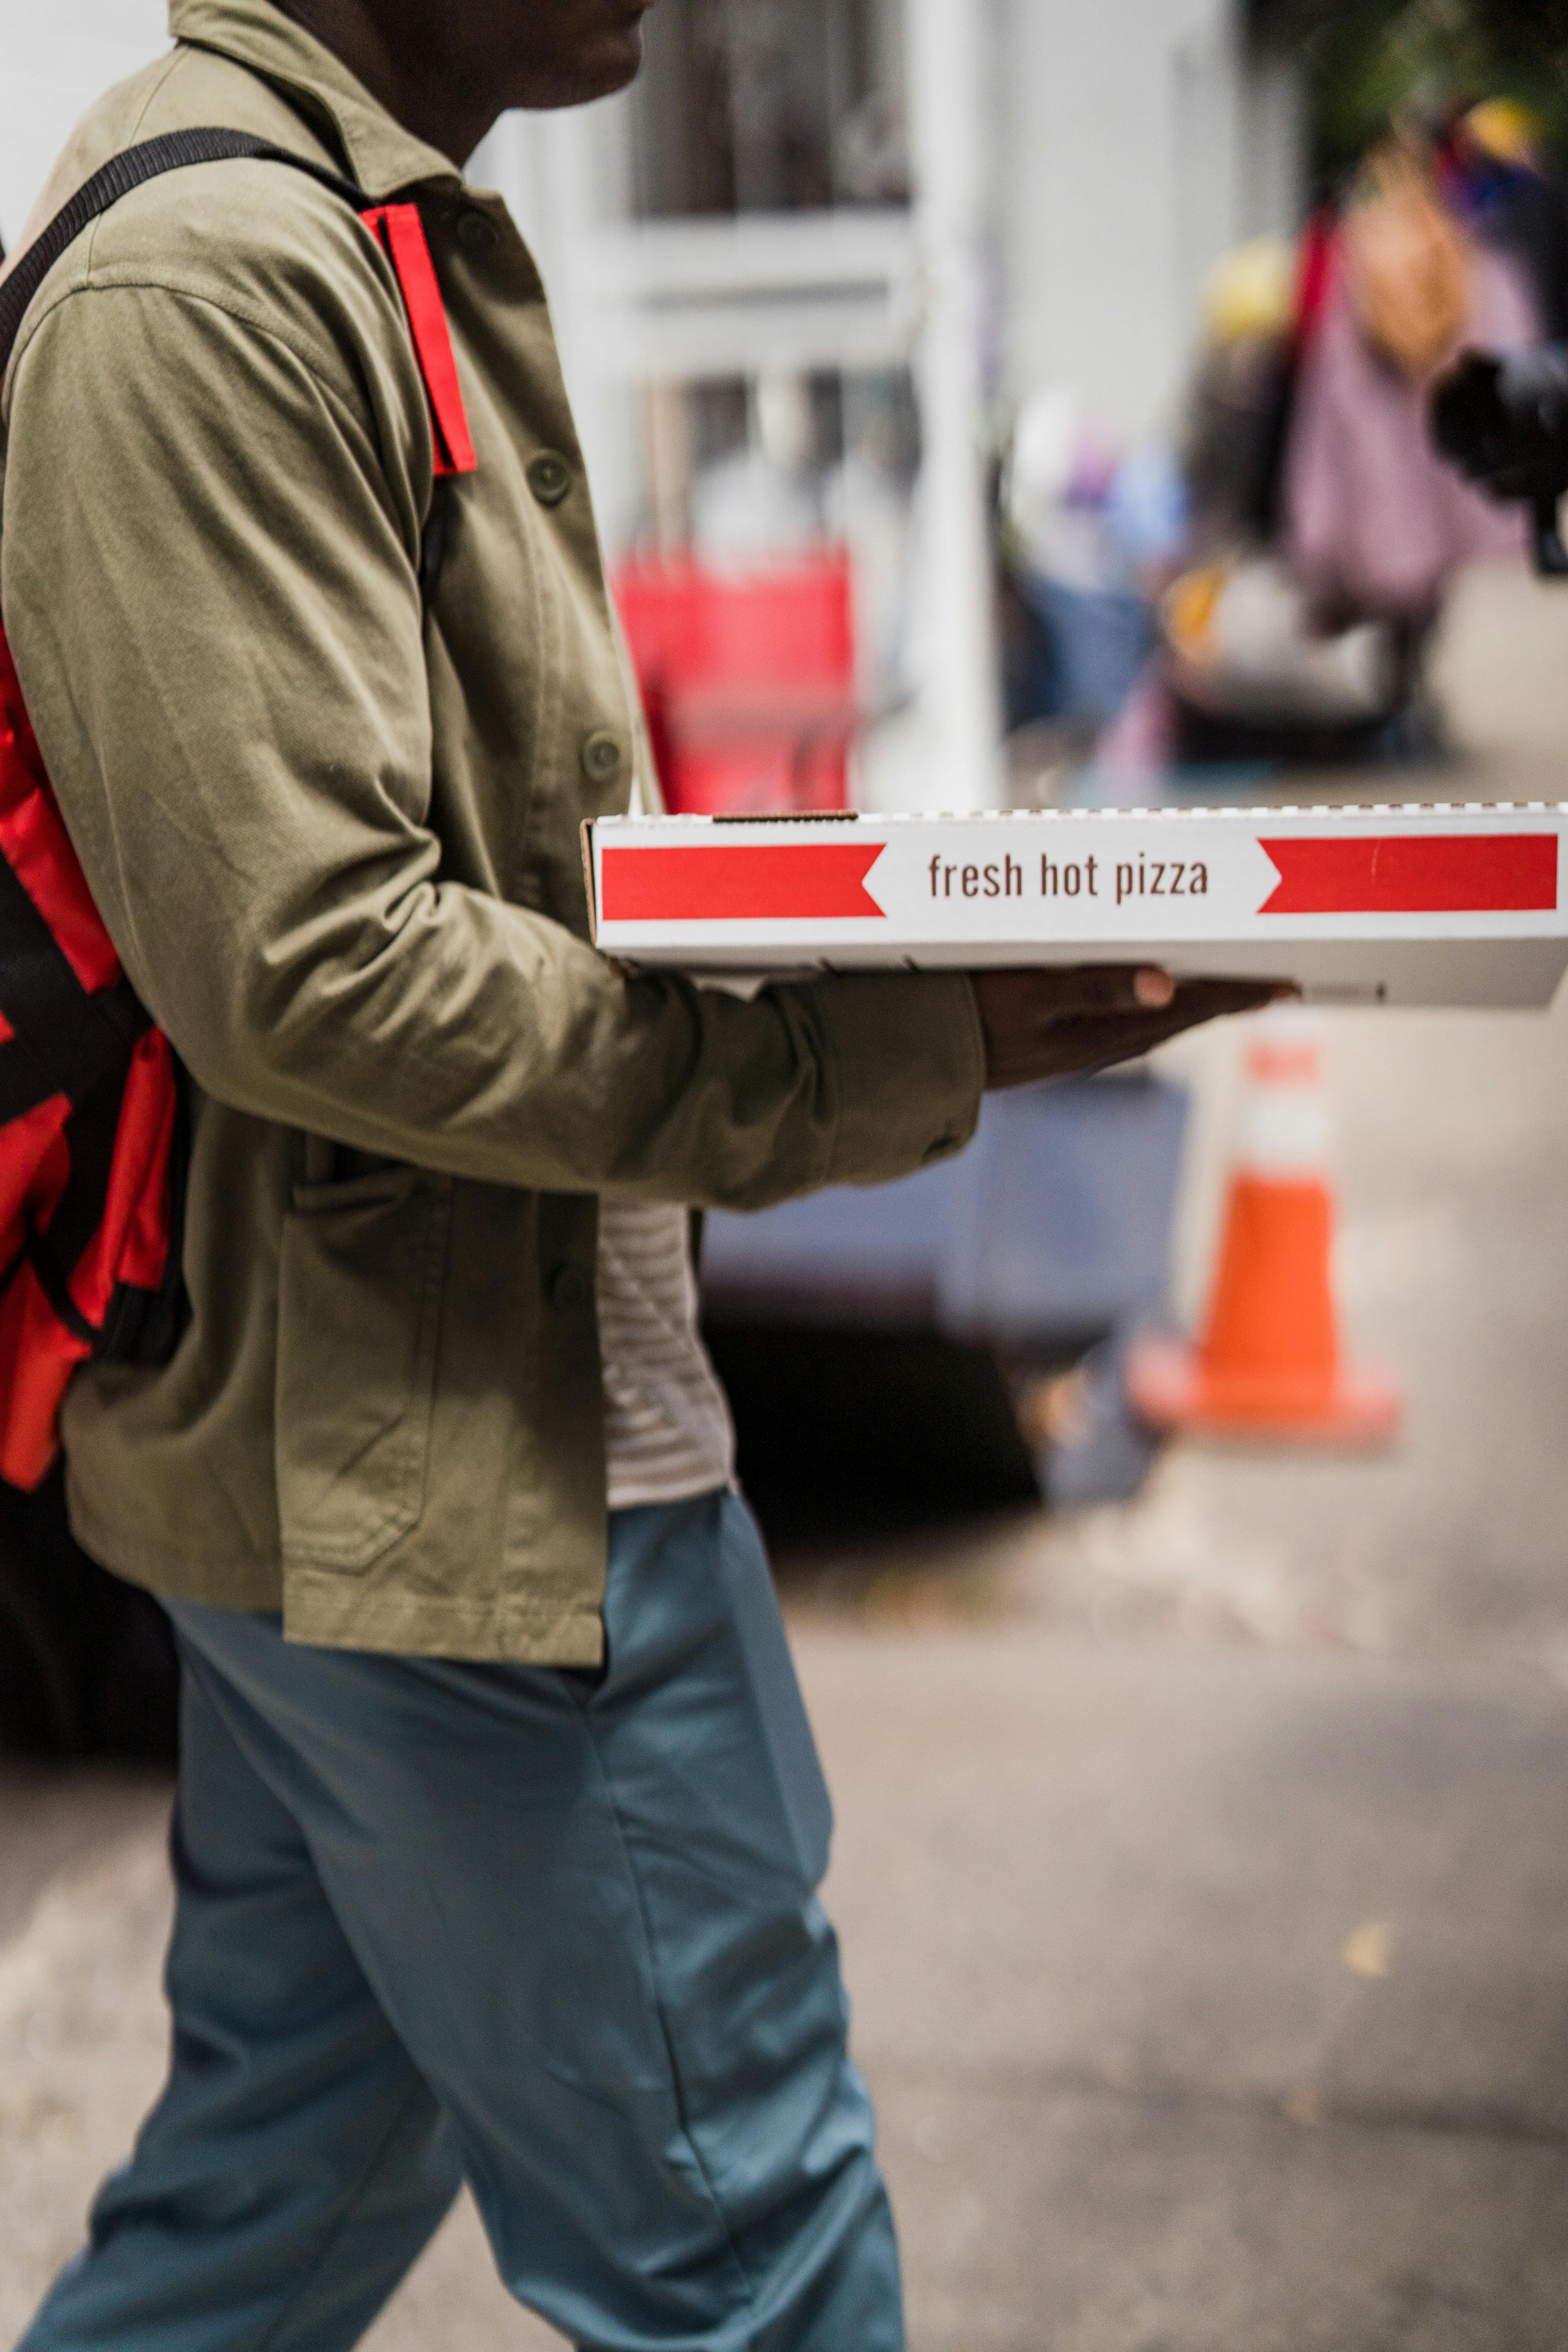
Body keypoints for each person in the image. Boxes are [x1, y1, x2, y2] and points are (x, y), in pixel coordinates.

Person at [0, 3, 1274, 2346]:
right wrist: (879, 1058)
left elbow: (424, 882)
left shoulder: (355, 227)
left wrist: (839, 925)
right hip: (448, 1484)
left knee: (263, 2217)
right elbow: (316, 969)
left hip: (372, 1462)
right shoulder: (217, 277)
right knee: (753, 2263)